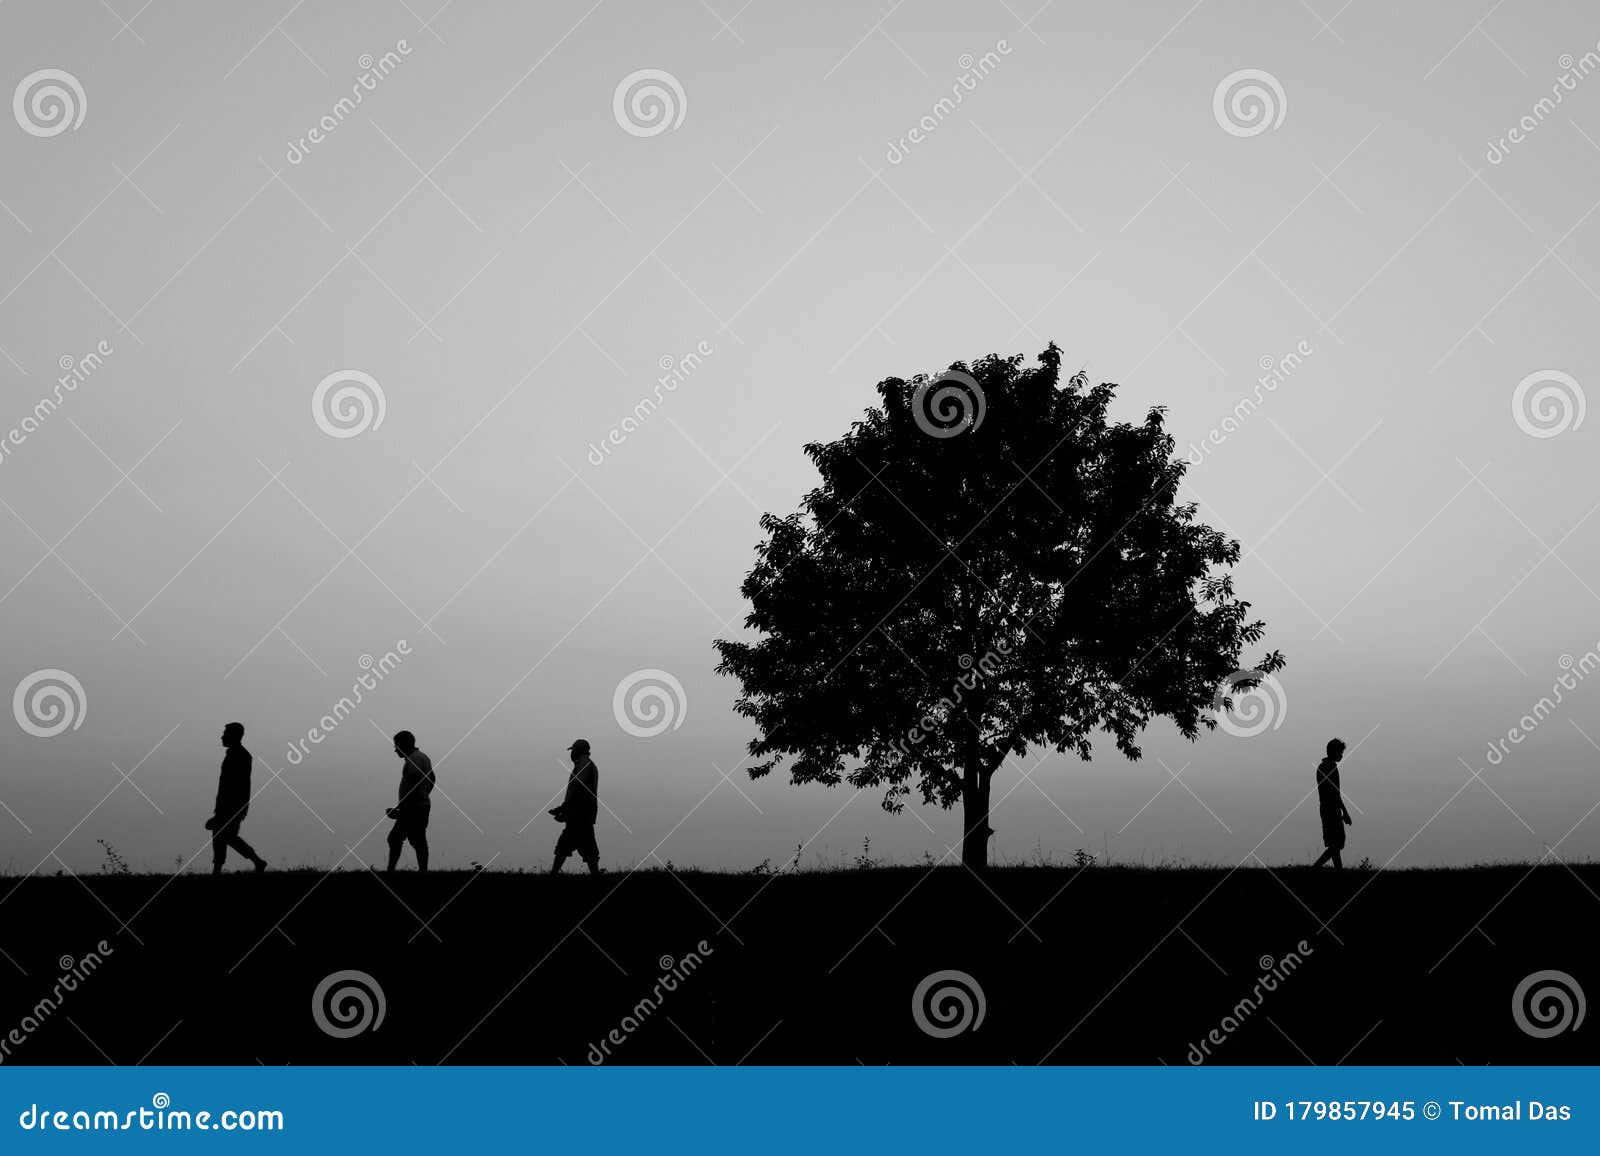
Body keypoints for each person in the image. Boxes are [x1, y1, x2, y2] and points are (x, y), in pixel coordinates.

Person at [206, 722, 267, 875]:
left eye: (225, 734)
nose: (222, 737)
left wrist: (230, 808)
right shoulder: (236, 754)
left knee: (225, 835)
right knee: (223, 835)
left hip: (232, 805)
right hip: (228, 804)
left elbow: (238, 784)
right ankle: (255, 862)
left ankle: (256, 861)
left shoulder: (240, 755)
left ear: (233, 735)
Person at [386, 730, 435, 872]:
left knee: (398, 838)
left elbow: (413, 781)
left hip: (413, 808)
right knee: (416, 839)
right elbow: (432, 778)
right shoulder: (422, 757)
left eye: (397, 746)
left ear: (404, 744)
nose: (395, 750)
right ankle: (422, 871)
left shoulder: (413, 760)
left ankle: (391, 871)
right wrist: (424, 794)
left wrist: (401, 807)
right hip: (419, 805)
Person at [550, 739, 600, 875]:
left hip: (580, 813)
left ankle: (553, 875)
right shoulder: (586, 764)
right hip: (583, 812)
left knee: (565, 845)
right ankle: (596, 876)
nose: (571, 754)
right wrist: (564, 808)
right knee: (586, 846)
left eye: (573, 751)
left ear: (577, 751)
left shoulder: (584, 764)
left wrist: (565, 809)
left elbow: (578, 787)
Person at [1311, 737, 1352, 869]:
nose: (1341, 755)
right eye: (1340, 752)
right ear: (1334, 751)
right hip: (1331, 808)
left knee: (1335, 842)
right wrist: (1345, 812)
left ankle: (1338, 871)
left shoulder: (1324, 766)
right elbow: (1335, 792)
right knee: (1338, 843)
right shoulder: (1329, 767)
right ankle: (1315, 868)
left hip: (1327, 807)